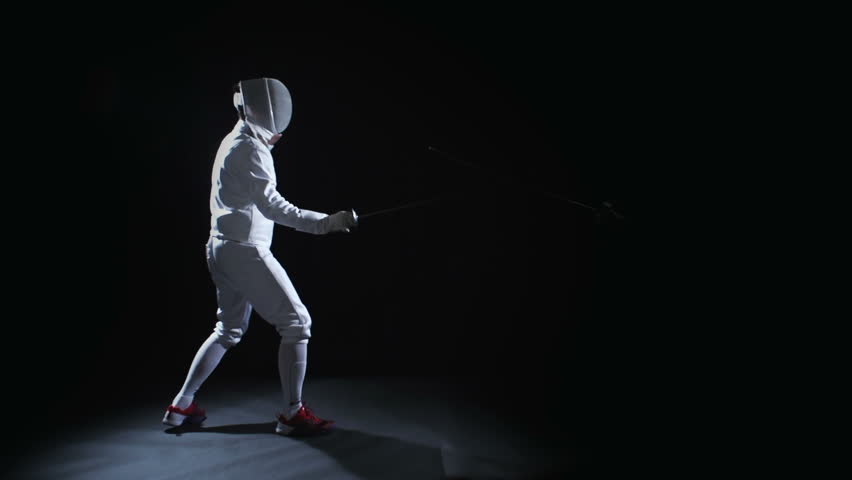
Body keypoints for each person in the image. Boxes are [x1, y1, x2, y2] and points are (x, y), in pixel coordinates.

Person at [162, 78, 357, 436]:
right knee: (297, 324)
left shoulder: (232, 140)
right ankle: (292, 413)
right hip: (244, 251)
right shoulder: (252, 149)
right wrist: (326, 223)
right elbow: (275, 208)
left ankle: (181, 405)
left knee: (228, 329)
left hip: (219, 247)